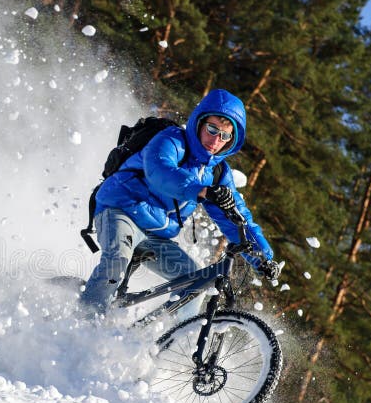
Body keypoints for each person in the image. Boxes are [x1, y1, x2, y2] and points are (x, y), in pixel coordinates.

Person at [81, 89, 280, 315]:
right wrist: (202, 190)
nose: (216, 140)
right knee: (117, 261)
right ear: (199, 122)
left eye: (225, 136)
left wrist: (262, 257)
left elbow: (236, 217)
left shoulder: (216, 173)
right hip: (120, 210)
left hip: (155, 235)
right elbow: (160, 171)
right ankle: (81, 324)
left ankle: (159, 340)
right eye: (212, 129)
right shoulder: (172, 140)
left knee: (195, 283)